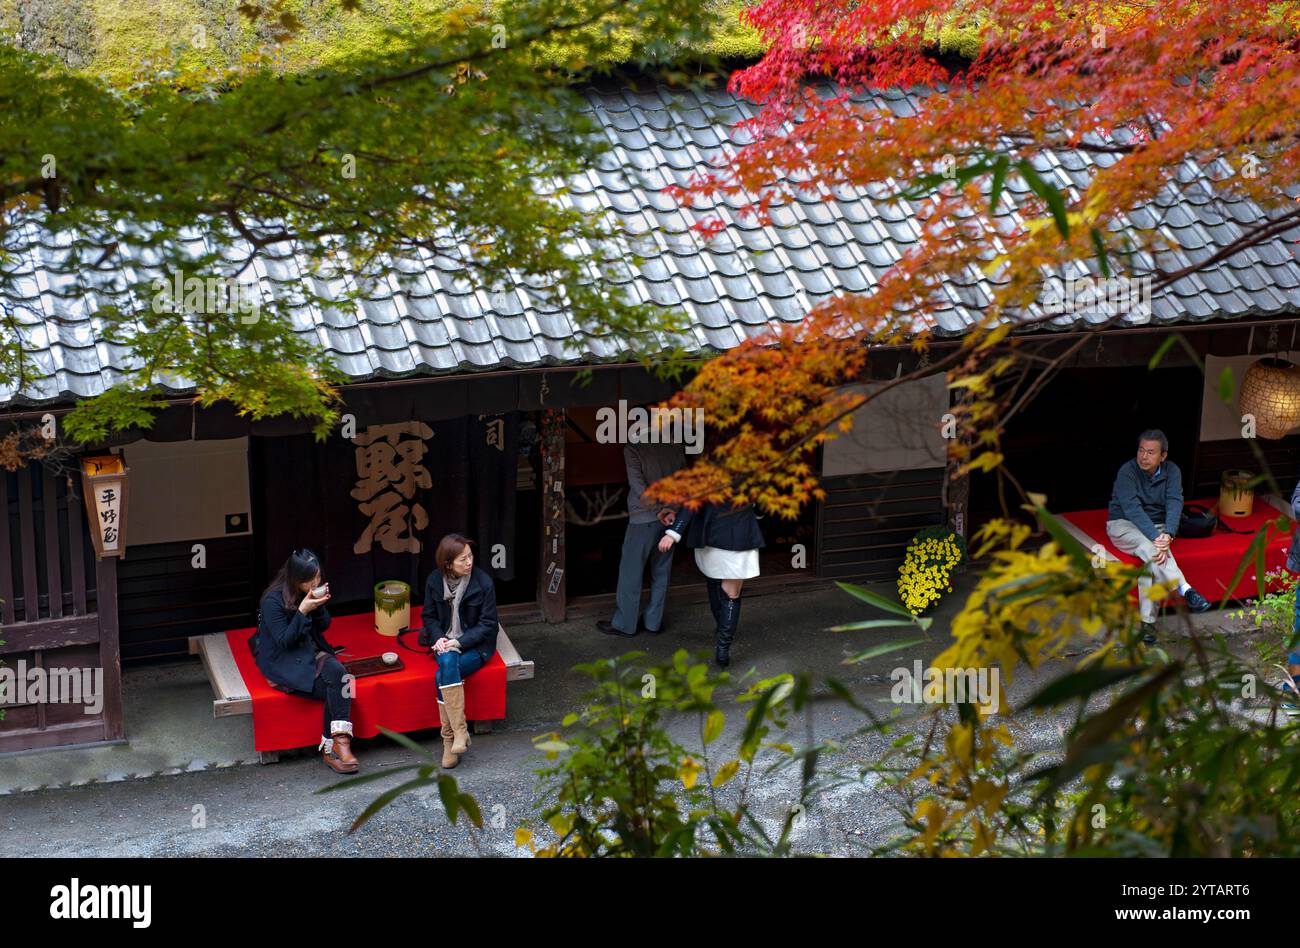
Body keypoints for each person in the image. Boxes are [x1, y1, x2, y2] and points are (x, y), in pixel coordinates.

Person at [252, 549, 358, 774]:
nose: (315, 583)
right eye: (309, 580)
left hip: (310, 652)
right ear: (295, 578)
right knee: (338, 686)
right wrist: (301, 611)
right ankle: (333, 750)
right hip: (284, 661)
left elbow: (323, 626)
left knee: (344, 678)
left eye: (318, 577)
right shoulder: (272, 600)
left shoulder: (309, 592)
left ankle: (337, 745)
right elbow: (284, 642)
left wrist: (318, 607)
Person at [1105, 429, 1212, 643]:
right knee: (1149, 548)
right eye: (1141, 450)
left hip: (1158, 527)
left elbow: (1175, 502)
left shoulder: (1172, 471)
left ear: (1163, 456)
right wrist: (1157, 537)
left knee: (1150, 562)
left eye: (1151, 452)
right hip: (1123, 524)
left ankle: (1147, 625)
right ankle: (1185, 589)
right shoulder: (1128, 471)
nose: (1143, 457)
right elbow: (1132, 509)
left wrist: (1169, 535)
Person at [420, 534, 499, 769]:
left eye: (470, 556)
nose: (469, 563)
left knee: (442, 673)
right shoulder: (434, 581)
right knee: (447, 662)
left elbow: (487, 625)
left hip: (476, 646)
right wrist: (440, 638)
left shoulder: (483, 583)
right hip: (444, 642)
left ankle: (449, 740)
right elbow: (429, 616)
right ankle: (459, 733)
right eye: (463, 559)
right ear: (448, 564)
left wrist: (459, 642)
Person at [658, 500, 764, 667]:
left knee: (715, 582)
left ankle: (722, 635)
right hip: (741, 530)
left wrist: (673, 533)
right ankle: (723, 647)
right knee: (730, 592)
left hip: (712, 530)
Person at [597, 440, 685, 638]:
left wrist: (658, 510)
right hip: (670, 519)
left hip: (642, 518)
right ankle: (653, 623)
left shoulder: (633, 448)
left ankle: (624, 624)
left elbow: (638, 487)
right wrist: (670, 509)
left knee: (631, 572)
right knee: (661, 572)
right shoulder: (675, 446)